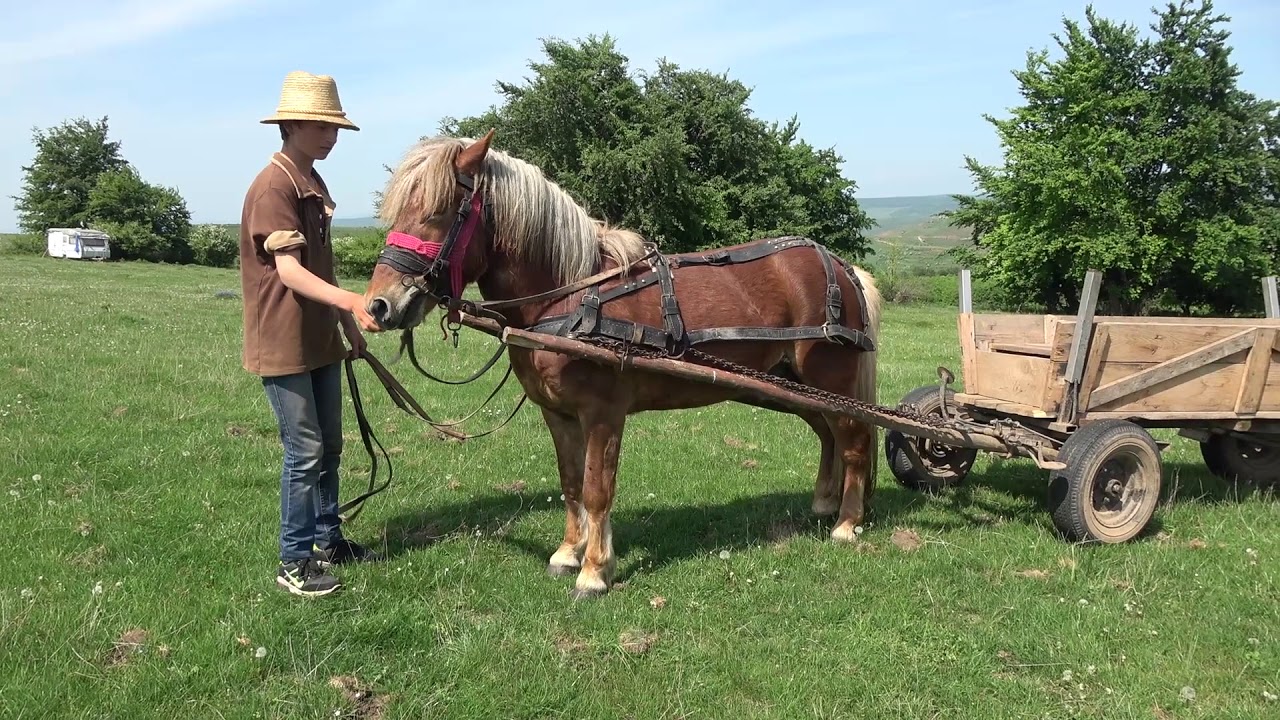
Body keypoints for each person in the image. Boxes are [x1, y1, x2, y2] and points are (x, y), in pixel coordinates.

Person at [239, 70, 383, 597]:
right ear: (293, 125)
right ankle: (294, 561)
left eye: (335, 127)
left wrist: (345, 324)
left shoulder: (311, 181)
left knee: (330, 447)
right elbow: (291, 272)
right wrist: (352, 302)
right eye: (323, 126)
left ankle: (329, 540)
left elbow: (322, 267)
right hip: (284, 341)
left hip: (320, 337)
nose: (332, 136)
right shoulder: (273, 186)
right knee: (304, 451)